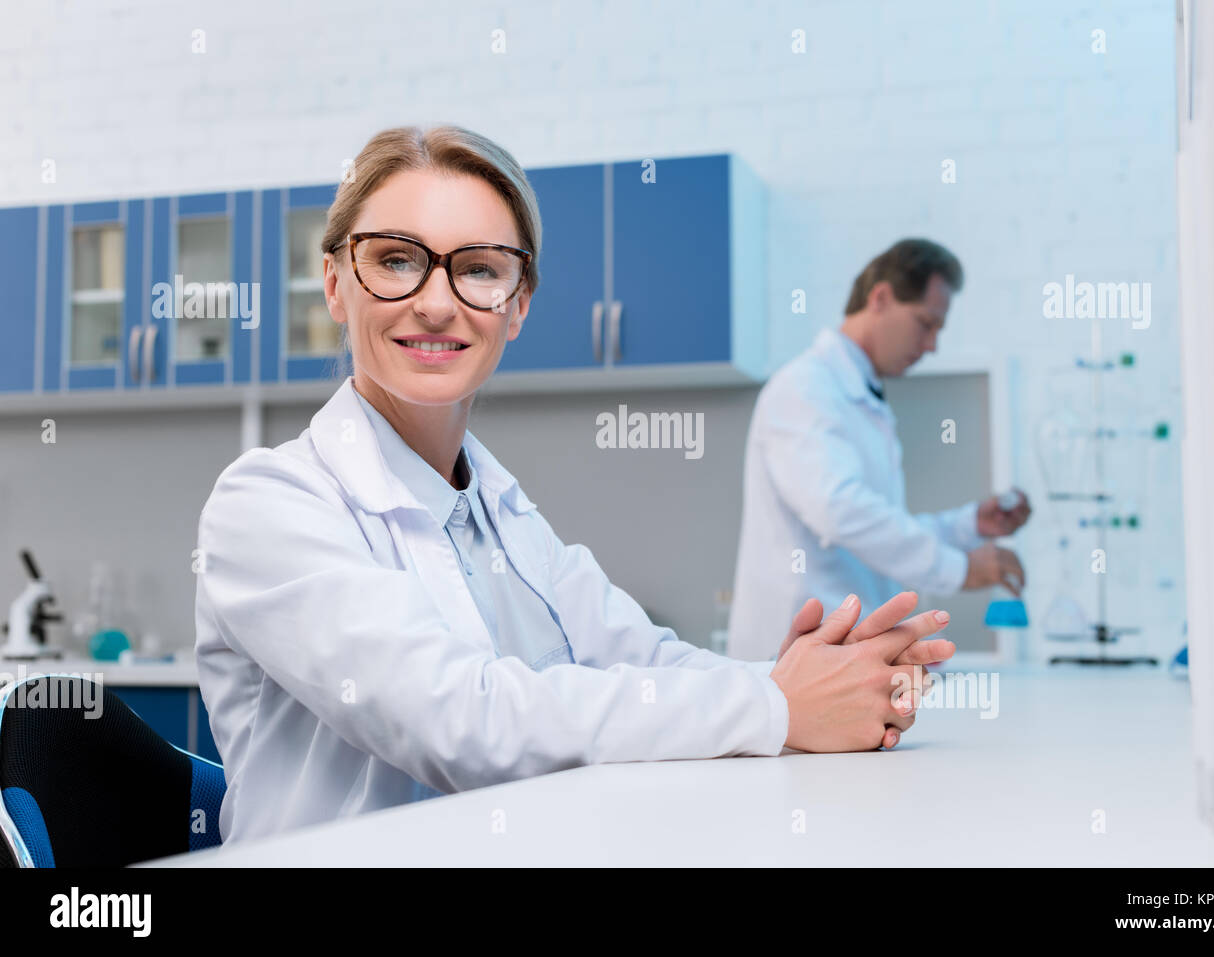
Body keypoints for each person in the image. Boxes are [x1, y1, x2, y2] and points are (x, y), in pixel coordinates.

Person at [194, 126, 956, 844]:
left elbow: (641, 656)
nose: (435, 300)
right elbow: (464, 722)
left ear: (517, 305)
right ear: (335, 284)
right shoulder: (268, 503)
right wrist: (778, 704)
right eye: (396, 259)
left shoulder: (502, 513)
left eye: (480, 267)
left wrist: (819, 680)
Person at [728, 239, 1031, 661]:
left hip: (844, 656)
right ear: (881, 298)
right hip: (796, 660)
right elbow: (842, 512)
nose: (931, 345)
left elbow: (879, 528)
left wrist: (968, 526)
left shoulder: (861, 400)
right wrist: (958, 569)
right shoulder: (805, 387)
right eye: (926, 324)